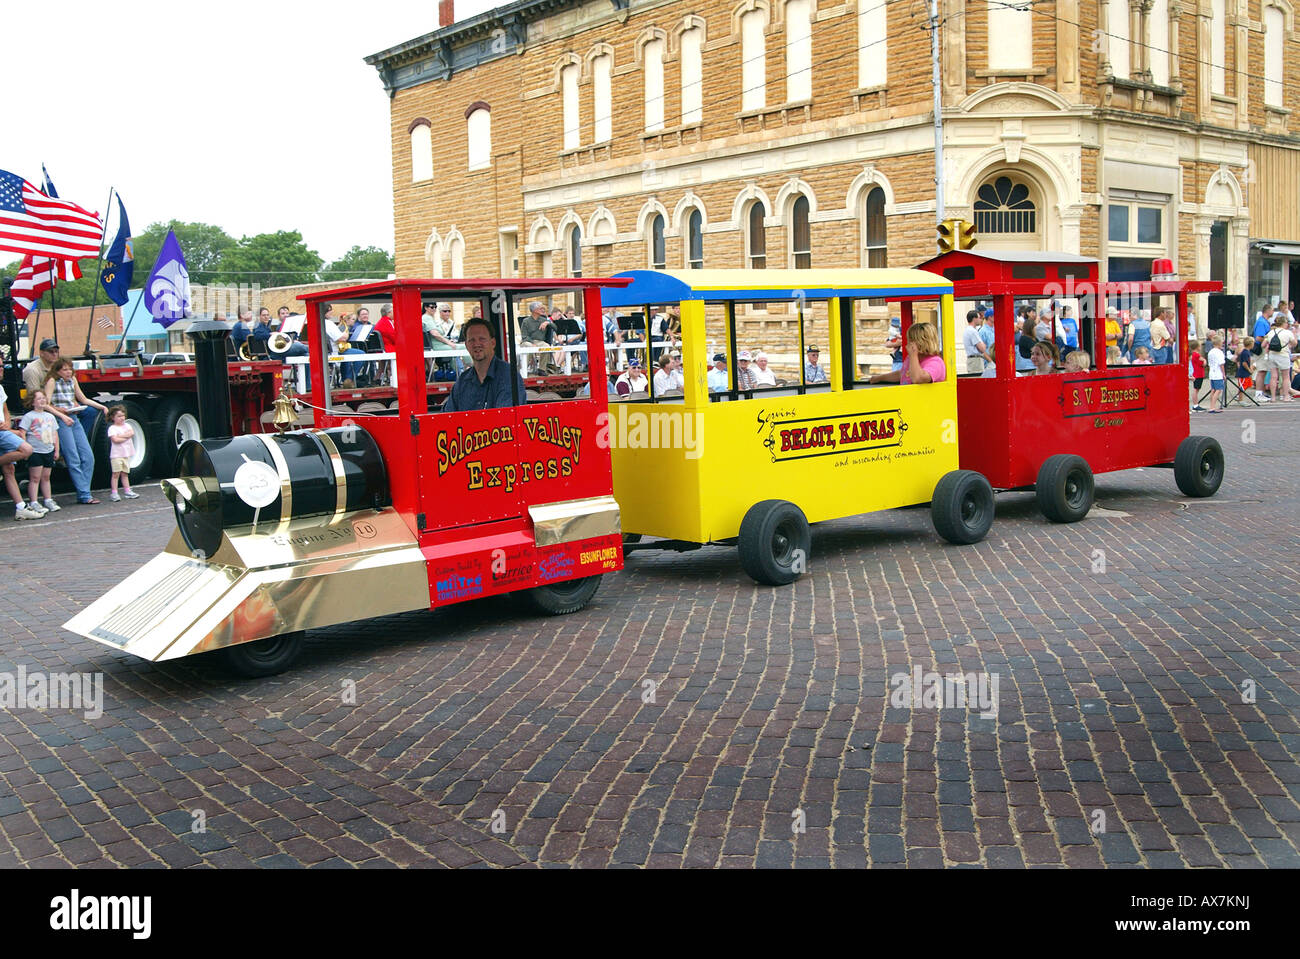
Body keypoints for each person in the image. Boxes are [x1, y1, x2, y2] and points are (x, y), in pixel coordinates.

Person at [41, 359, 105, 504]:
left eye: (70, 369)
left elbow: (83, 399)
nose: (68, 372)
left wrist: (102, 407)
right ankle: (84, 494)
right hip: (62, 420)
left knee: (88, 456)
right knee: (73, 457)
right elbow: (46, 403)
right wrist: (61, 413)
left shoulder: (72, 380)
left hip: (74, 418)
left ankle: (85, 490)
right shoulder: (52, 381)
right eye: (64, 369)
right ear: (57, 371)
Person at [440, 317, 526, 412]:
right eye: (472, 340)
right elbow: (447, 417)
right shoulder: (463, 381)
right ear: (466, 345)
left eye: (482, 339)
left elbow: (504, 419)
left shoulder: (508, 376)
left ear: (493, 343)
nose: (477, 344)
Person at [1, 382, 40, 520]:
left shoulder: (0, 387)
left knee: (9, 469)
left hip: (2, 431)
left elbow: (5, 409)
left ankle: (20, 508)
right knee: (26, 449)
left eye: (1, 366)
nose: (1, 369)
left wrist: (6, 423)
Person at [17, 389, 59, 515]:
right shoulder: (29, 416)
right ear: (32, 402)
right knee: (35, 477)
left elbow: (55, 433)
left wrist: (57, 449)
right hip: (35, 451)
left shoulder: (50, 416)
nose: (42, 400)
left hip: (48, 450)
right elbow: (22, 432)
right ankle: (34, 501)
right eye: (39, 398)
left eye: (43, 398)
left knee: (46, 477)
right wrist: (24, 448)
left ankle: (48, 499)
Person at [867, 321, 946, 385]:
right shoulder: (912, 358)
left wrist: (913, 355)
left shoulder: (935, 362)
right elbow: (902, 374)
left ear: (921, 342)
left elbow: (918, 378)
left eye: (911, 340)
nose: (907, 344)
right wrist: (879, 378)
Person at [104, 405, 141, 500]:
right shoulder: (112, 428)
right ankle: (114, 493)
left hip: (126, 454)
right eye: (119, 416)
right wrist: (126, 436)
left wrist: (121, 436)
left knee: (125, 473)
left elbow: (131, 433)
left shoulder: (127, 425)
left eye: (123, 415)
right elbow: (115, 440)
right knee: (116, 474)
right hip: (117, 455)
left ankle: (127, 491)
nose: (122, 418)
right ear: (113, 417)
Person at [1265, 313, 1294, 402]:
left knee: (1273, 377)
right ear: (1284, 323)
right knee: (1285, 377)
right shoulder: (1287, 332)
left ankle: (1273, 397)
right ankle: (1286, 396)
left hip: (1272, 355)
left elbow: (1264, 344)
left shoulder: (1271, 332)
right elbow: (1295, 343)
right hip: (1283, 355)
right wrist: (1288, 345)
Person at [963, 309, 990, 374]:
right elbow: (982, 348)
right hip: (976, 360)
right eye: (979, 318)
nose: (980, 320)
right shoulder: (973, 332)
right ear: (974, 319)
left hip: (972, 360)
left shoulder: (968, 330)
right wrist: (983, 344)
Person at [1205, 334, 1225, 413]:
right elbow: (1221, 364)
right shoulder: (1219, 352)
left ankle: (1211, 406)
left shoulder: (1211, 352)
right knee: (1218, 390)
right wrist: (1223, 374)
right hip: (1218, 373)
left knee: (1213, 390)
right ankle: (1213, 407)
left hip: (1212, 373)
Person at [1235, 337, 1255, 404]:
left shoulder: (1247, 352)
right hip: (1243, 372)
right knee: (1242, 386)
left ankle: (1238, 396)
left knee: (1248, 384)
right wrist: (1249, 370)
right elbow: (1244, 363)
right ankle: (1240, 399)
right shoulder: (1245, 353)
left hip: (1246, 373)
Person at [1189, 339, 1206, 411]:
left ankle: (1195, 404)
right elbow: (1202, 363)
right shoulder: (1197, 355)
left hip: (1195, 373)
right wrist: (1204, 360)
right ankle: (1195, 405)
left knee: (1196, 389)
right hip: (1198, 374)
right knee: (1196, 389)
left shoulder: (1192, 355)